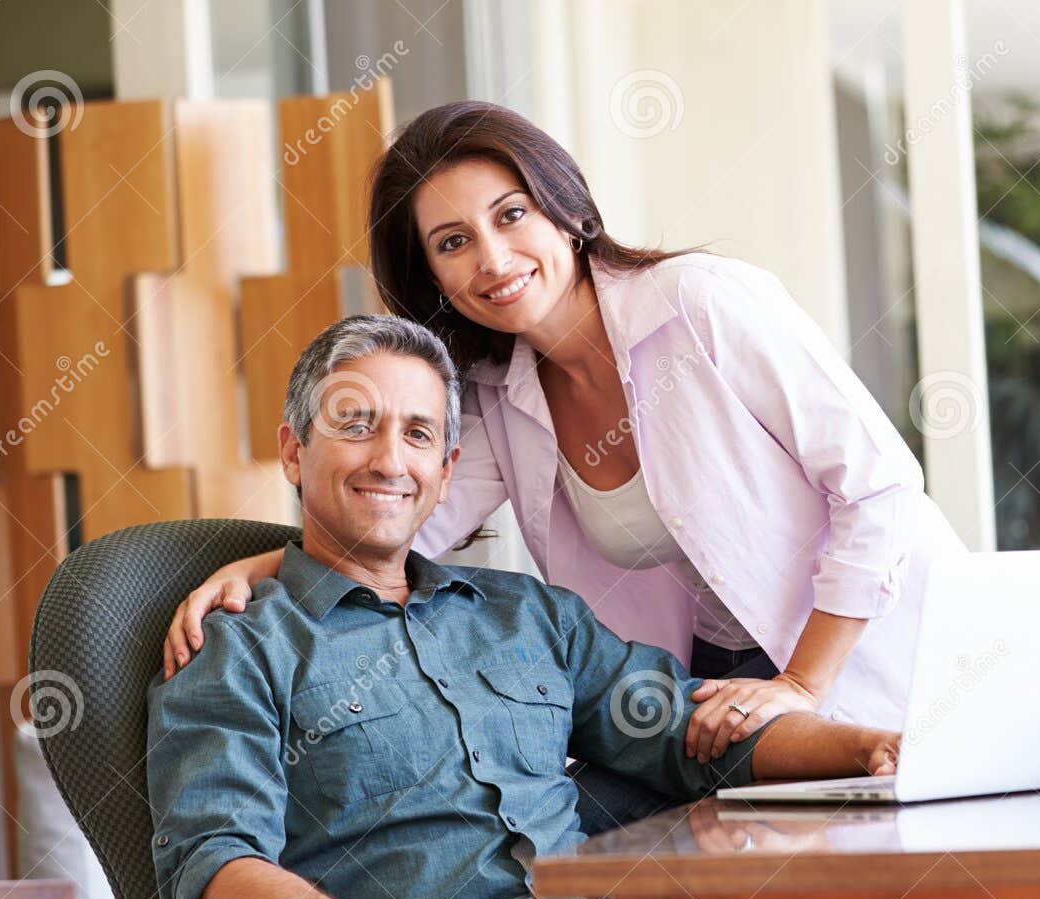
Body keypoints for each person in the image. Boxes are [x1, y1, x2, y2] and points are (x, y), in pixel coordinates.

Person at [145, 315, 900, 899]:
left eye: (417, 434)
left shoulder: (527, 615)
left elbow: (700, 730)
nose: (388, 457)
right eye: (356, 424)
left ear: (446, 470)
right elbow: (210, 864)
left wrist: (874, 748)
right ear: (293, 451)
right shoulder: (239, 648)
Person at [162, 100, 965, 783]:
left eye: (511, 215)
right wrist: (255, 566)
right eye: (452, 242)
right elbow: (394, 522)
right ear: (433, 279)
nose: (493, 258)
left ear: (567, 211)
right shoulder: (493, 396)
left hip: (868, 651)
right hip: (712, 685)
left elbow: (879, 486)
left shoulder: (700, 304)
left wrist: (801, 681)